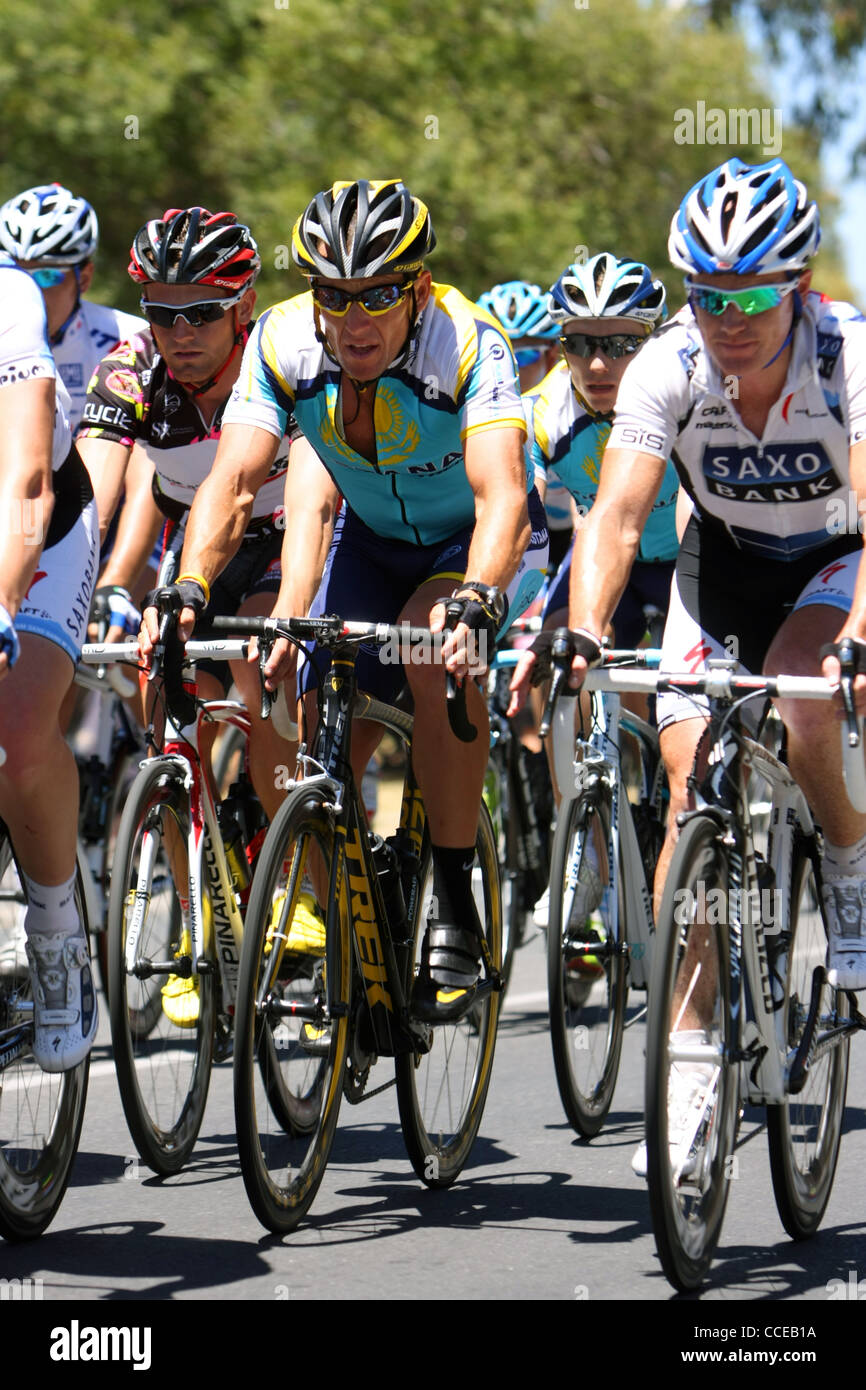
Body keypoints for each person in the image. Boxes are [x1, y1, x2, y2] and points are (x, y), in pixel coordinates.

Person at [513, 156, 866, 1172]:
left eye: (753, 293)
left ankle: (843, 866)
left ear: (795, 284)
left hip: (831, 564)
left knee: (804, 710)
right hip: (720, 570)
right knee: (685, 795)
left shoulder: (844, 358)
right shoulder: (666, 362)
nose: (729, 317)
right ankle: (690, 1064)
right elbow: (616, 517)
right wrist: (581, 632)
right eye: (709, 294)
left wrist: (854, 640)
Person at [143, 178, 549, 1023]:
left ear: (420, 286)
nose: (353, 319)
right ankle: (349, 912)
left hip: (466, 545)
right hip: (369, 543)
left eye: (377, 296)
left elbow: (504, 494)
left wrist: (478, 598)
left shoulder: (468, 341)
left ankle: (454, 896)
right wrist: (187, 586)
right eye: (333, 295)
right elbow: (235, 478)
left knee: (430, 647)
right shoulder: (288, 341)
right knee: (307, 719)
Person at [0, 250, 99, 1069]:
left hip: (38, 528)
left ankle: (58, 934)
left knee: (19, 722)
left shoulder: (9, 298)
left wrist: (1, 603)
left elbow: (28, 480)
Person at [0, 183, 145, 430]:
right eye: (14, 274)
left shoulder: (128, 342)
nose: (26, 290)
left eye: (47, 276)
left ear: (84, 278)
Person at [478, 279, 573, 568]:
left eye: (525, 353)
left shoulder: (572, 401)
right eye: (499, 354)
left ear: (552, 354)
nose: (510, 366)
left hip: (577, 534)